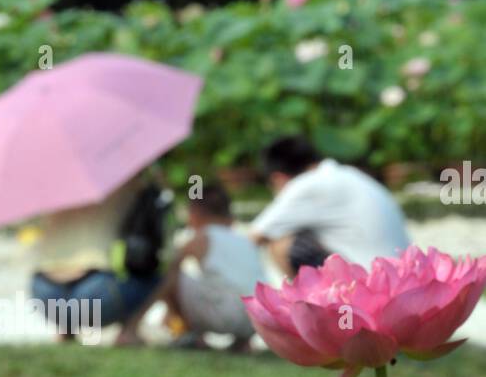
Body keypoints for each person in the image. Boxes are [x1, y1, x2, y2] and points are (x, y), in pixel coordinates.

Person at [116, 183, 263, 349]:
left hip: (223, 317)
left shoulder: (203, 237)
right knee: (229, 284)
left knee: (170, 274)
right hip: (253, 321)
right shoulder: (245, 240)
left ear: (195, 213)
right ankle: (242, 343)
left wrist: (166, 311)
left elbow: (170, 273)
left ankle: (133, 329)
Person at [30, 177, 166, 341]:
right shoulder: (128, 180)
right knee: (161, 275)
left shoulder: (52, 182)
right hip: (96, 294)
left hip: (44, 294)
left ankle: (65, 330)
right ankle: (129, 331)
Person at [250, 136, 410, 275]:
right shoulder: (349, 174)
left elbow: (256, 236)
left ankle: (303, 305)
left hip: (367, 283)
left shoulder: (306, 184)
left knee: (280, 243)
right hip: (400, 275)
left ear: (278, 178)